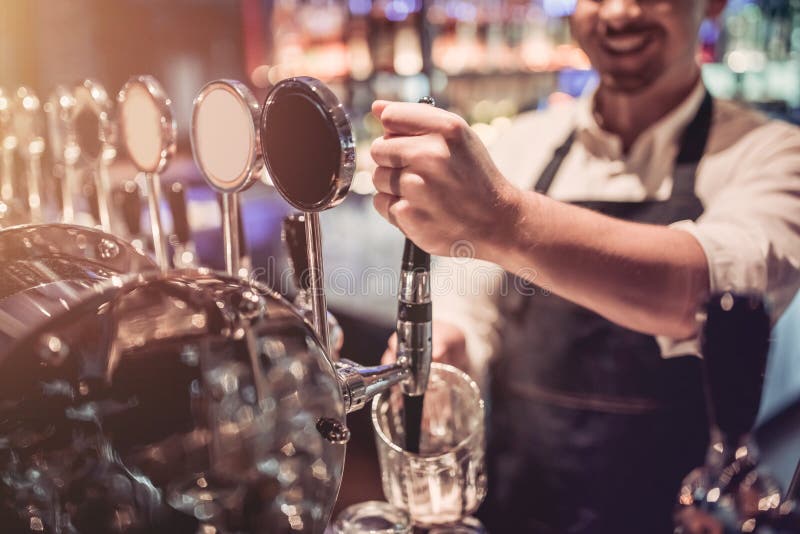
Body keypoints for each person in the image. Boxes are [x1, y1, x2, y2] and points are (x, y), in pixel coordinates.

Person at [371, 0, 800, 532]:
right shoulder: (520, 142)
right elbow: (470, 306)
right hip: (519, 506)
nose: (619, 13)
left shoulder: (774, 153)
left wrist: (504, 220)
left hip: (678, 512)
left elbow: (704, 293)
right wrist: (451, 353)